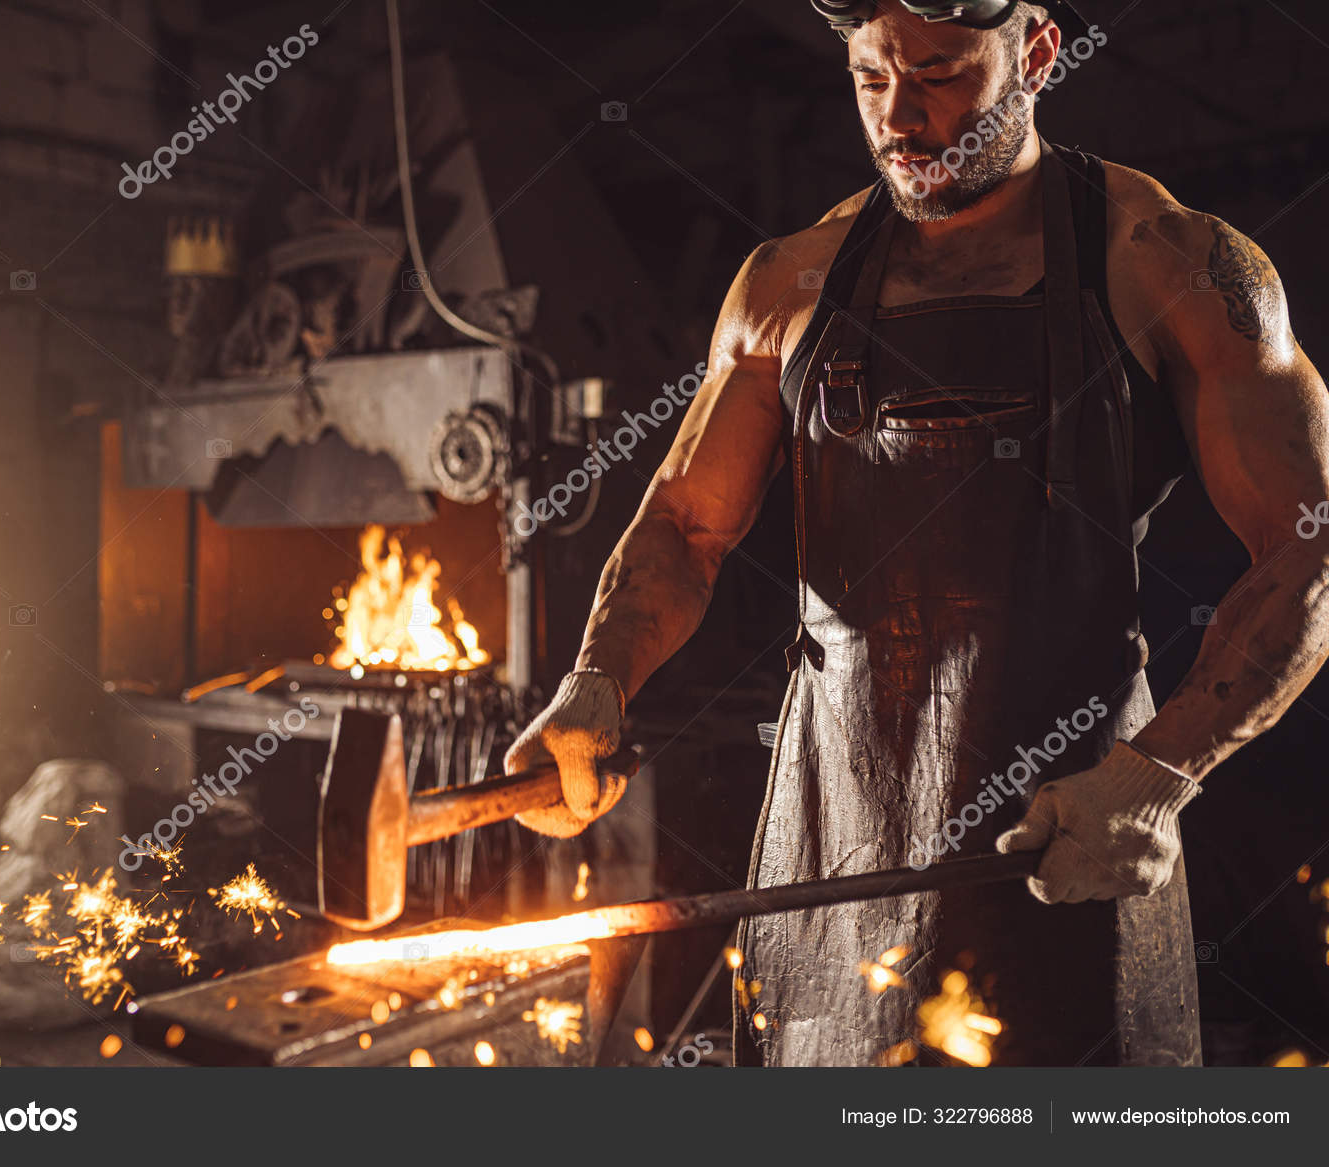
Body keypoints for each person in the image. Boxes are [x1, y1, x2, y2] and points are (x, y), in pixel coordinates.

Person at [504, 0, 1329, 1065]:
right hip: (829, 846)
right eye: (872, 79)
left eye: (940, 74)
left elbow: (1308, 547)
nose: (903, 116)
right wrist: (596, 681)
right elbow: (680, 524)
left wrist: (1155, 779)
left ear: (1036, 52)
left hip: (1066, 833)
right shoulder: (785, 282)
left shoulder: (1165, 259)